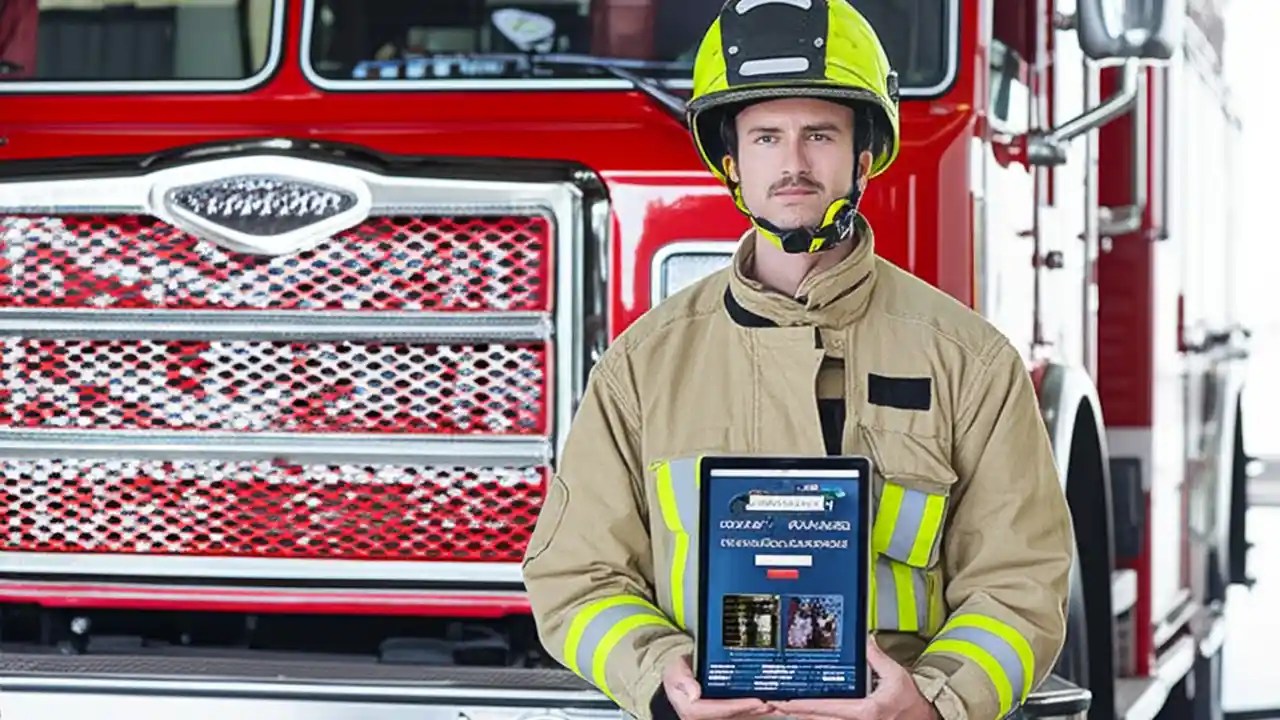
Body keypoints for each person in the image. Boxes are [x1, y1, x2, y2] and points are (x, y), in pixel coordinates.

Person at [520, 1, 1075, 719]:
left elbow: (1020, 581)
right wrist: (664, 682)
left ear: (864, 154)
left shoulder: (968, 362)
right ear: (732, 162)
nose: (792, 163)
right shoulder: (642, 367)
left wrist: (934, 703)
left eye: (819, 134)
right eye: (765, 137)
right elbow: (576, 575)